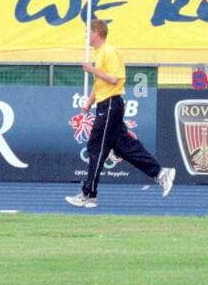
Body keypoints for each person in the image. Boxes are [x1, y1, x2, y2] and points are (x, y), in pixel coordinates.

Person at [66, 19, 175, 209]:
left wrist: (91, 69)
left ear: (96, 33)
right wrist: (89, 103)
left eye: (87, 32)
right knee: (124, 146)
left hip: (110, 104)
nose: (86, 36)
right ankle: (160, 173)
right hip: (105, 104)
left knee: (96, 147)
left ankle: (88, 194)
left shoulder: (109, 52)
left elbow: (113, 79)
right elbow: (100, 83)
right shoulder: (99, 53)